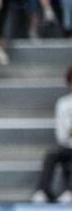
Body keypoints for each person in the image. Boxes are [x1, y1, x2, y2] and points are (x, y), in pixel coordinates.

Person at [33, 65, 72, 202]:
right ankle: (43, 191)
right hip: (67, 145)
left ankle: (70, 191)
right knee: (51, 154)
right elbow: (61, 136)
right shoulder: (63, 104)